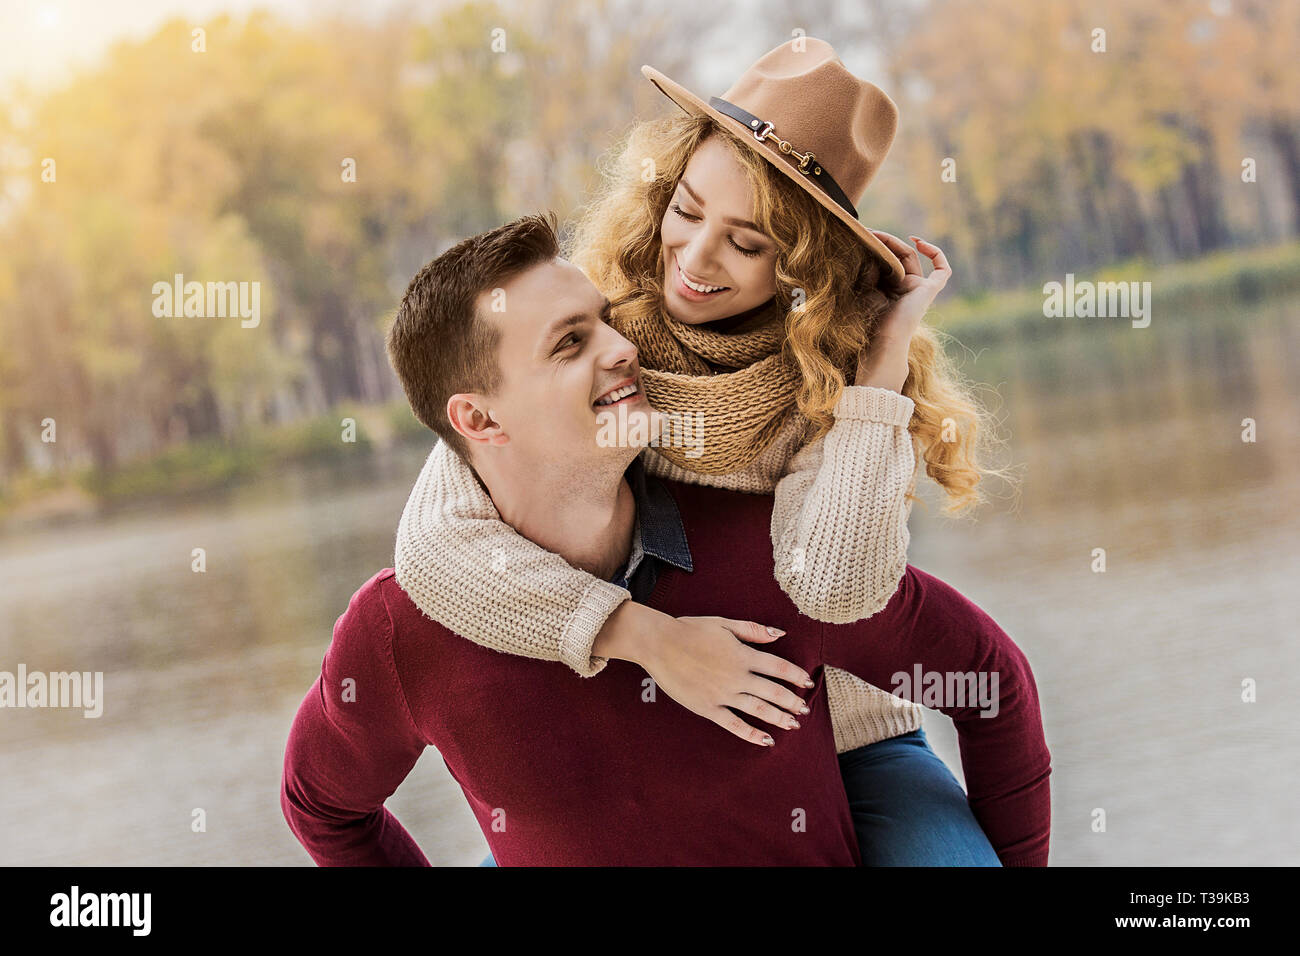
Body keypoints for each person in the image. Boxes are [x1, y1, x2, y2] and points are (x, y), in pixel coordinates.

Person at [392, 38, 1025, 864]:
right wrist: (645, 638)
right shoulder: (589, 335)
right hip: (649, 729)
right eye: (687, 211)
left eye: (747, 242)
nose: (694, 260)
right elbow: (436, 548)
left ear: (802, 263)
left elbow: (836, 587)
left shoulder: (834, 388)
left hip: (851, 741)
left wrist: (881, 365)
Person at [280, 214, 1051, 866]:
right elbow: (323, 805)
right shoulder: (403, 634)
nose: (621, 349)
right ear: (479, 421)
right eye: (568, 344)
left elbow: (990, 682)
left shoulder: (770, 551)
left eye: (606, 322)